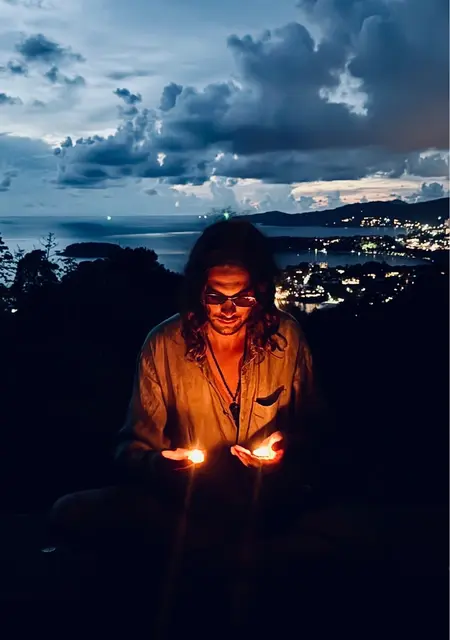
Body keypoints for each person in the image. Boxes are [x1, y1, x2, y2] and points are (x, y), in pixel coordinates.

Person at [49, 219, 323, 564]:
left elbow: (316, 429)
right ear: (198, 290)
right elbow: (131, 447)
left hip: (266, 497)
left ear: (262, 290)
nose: (228, 310)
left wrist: (285, 448)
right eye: (215, 296)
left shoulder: (286, 339)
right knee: (68, 511)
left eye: (243, 297)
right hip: (186, 502)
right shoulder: (164, 345)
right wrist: (159, 464)